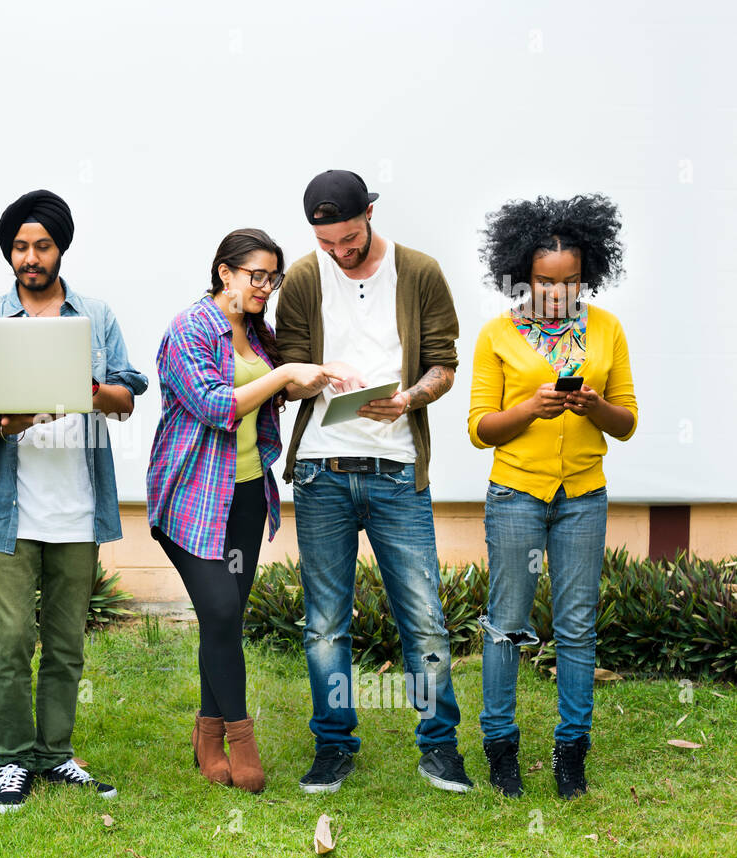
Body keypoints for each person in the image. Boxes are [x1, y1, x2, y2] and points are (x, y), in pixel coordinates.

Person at [275, 170, 474, 794]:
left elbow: (444, 362)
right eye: (328, 242)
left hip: (396, 473)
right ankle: (334, 747)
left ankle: (439, 748)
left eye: (350, 238)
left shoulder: (419, 271)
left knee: (424, 619)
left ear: (370, 214)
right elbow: (288, 367)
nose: (340, 252)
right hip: (321, 470)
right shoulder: (305, 277)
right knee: (325, 624)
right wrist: (316, 375)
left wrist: (411, 398)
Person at [0, 189, 148, 812]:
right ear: (9, 253)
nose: (31, 257)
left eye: (42, 245)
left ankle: (56, 752)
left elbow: (126, 395)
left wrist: (85, 389)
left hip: (77, 505)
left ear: (60, 247)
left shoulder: (94, 315)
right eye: (20, 247)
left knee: (66, 643)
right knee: (13, 641)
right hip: (6, 506)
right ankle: (14, 759)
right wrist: (8, 419)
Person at [147, 228, 333, 793]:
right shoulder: (189, 329)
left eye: (272, 277)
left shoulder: (257, 331)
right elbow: (213, 405)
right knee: (223, 615)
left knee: (222, 620)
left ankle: (207, 733)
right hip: (190, 497)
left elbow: (270, 394)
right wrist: (282, 374)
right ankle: (240, 737)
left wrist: (317, 380)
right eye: (257, 275)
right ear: (224, 272)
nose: (266, 286)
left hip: (247, 494)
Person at [469, 194, 637, 799]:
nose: (558, 294)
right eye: (544, 282)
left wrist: (596, 406)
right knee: (507, 625)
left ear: (586, 277)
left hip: (584, 496)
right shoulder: (498, 334)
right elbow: (480, 427)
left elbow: (628, 423)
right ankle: (500, 747)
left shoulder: (606, 330)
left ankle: (572, 751)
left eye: (570, 283)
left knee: (576, 626)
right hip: (516, 492)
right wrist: (527, 411)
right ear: (522, 274)